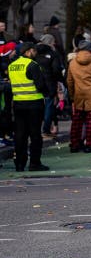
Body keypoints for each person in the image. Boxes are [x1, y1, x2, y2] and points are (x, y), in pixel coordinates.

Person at [8, 43, 49, 172]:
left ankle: (19, 163)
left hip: (18, 104)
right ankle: (34, 163)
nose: (35, 53)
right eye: (33, 50)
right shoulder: (32, 65)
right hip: (34, 104)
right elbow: (40, 85)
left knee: (20, 135)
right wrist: (47, 93)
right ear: (28, 51)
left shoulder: (12, 66)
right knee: (35, 135)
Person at [36, 34, 64, 137]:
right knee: (48, 106)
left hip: (36, 83)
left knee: (38, 107)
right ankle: (46, 129)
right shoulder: (53, 54)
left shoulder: (35, 52)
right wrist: (59, 81)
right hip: (49, 83)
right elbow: (56, 69)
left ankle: (36, 129)